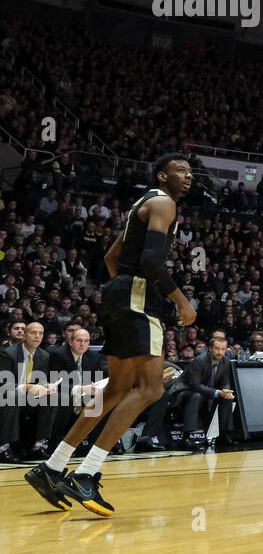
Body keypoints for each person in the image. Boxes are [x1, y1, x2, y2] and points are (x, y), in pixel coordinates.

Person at [26, 153, 196, 516]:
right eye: (181, 170)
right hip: (137, 298)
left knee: (117, 388)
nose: (189, 176)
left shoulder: (144, 203)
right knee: (150, 388)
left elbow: (111, 256)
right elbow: (150, 262)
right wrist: (182, 302)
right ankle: (87, 472)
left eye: (191, 171)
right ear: (161, 175)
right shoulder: (164, 203)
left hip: (117, 295)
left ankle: (53, 467)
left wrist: (121, 286)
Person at [0, 322, 56, 462]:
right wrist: (27, 387)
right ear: (24, 335)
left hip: (28, 398)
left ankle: (38, 446)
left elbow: (40, 381)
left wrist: (47, 386)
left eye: (41, 333)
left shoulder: (44, 355)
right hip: (7, 395)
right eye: (33, 333)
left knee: (52, 397)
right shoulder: (7, 353)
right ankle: (3, 448)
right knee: (11, 397)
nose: (37, 336)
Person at [176, 334, 236, 450]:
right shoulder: (199, 361)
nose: (220, 352)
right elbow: (196, 385)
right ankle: (187, 437)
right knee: (197, 396)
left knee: (227, 398)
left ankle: (223, 435)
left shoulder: (226, 362)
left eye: (223, 349)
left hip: (205, 392)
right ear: (210, 349)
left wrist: (226, 391)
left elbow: (225, 382)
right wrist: (218, 393)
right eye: (217, 348)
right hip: (184, 392)